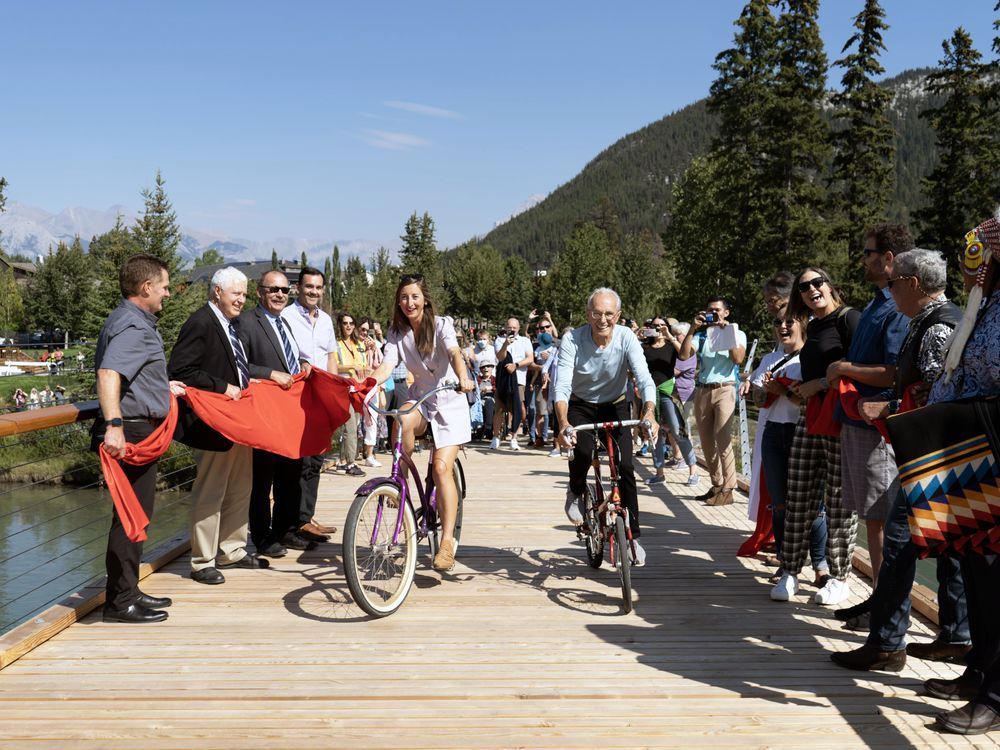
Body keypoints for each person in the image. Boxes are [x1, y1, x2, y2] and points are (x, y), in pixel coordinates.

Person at [830, 248, 967, 672]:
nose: (890, 292)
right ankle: (956, 635)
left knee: (897, 544)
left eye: (893, 284)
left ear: (911, 283)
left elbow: (937, 394)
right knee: (950, 546)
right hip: (951, 454)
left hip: (933, 455)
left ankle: (889, 643)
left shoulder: (934, 328)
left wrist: (886, 409)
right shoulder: (944, 319)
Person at [904, 214, 1000, 735]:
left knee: (996, 577)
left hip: (994, 449)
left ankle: (996, 696)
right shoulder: (983, 305)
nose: (977, 259)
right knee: (980, 575)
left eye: (985, 249)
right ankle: (981, 672)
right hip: (971, 454)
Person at [94, 254, 184, 623]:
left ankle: (127, 590)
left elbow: (133, 373)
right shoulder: (133, 325)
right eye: (163, 286)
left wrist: (163, 386)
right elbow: (110, 373)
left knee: (138, 515)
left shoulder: (133, 320)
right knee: (130, 518)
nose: (167, 293)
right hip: (131, 431)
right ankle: (119, 603)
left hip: (135, 426)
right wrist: (113, 424)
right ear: (146, 287)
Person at [168, 266, 269, 585]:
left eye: (244, 293)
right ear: (217, 292)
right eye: (237, 293)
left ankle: (232, 550)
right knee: (211, 491)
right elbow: (181, 369)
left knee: (241, 487)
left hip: (239, 421)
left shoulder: (232, 323)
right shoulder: (200, 322)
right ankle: (201, 560)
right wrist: (224, 388)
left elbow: (238, 365)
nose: (243, 299)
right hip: (213, 422)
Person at [367, 274, 475, 572]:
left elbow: (454, 352)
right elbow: (387, 366)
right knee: (402, 417)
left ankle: (447, 543)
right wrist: (367, 384)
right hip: (422, 399)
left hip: (450, 399)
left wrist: (464, 376)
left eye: (414, 296)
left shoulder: (441, 325)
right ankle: (398, 484)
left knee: (441, 468)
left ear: (424, 299)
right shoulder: (396, 331)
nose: (409, 302)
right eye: (403, 297)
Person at [828, 224, 912, 599]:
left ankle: (884, 607)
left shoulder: (896, 307)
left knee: (879, 518)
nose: (862, 259)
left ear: (889, 258)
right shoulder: (880, 301)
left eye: (868, 253)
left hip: (876, 426)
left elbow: (893, 372)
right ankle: (880, 603)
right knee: (871, 518)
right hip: (856, 421)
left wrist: (846, 369)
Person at [771, 268, 861, 605]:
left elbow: (858, 366)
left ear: (830, 284)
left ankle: (839, 577)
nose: (811, 290)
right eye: (804, 287)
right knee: (799, 494)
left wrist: (821, 384)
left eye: (817, 282)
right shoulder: (813, 324)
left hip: (840, 414)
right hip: (811, 413)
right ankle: (790, 570)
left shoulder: (849, 319)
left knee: (838, 500)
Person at [555, 288, 656, 566]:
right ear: (588, 314)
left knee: (625, 468)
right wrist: (563, 423)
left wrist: (649, 412)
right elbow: (561, 385)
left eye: (609, 314)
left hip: (616, 402)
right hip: (581, 403)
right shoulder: (572, 339)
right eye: (597, 313)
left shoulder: (626, 338)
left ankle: (633, 538)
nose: (603, 319)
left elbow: (645, 379)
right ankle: (575, 491)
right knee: (584, 452)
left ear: (618, 316)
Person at [238, 270, 313, 558]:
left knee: (290, 475)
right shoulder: (247, 322)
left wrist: (304, 362)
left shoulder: (284, 323)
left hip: (290, 413)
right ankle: (262, 536)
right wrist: (270, 373)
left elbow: (289, 356)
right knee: (263, 479)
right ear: (260, 292)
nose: (280, 294)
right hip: (264, 414)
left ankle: (286, 530)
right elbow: (240, 365)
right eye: (274, 290)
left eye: (284, 290)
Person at [280, 266, 339, 539]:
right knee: (298, 461)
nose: (313, 291)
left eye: (318, 287)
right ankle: (293, 523)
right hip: (297, 397)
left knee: (316, 459)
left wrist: (335, 393)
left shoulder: (326, 320)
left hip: (322, 396)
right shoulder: (287, 317)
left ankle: (306, 518)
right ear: (298, 288)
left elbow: (331, 357)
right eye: (308, 287)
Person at [678, 296, 747, 505]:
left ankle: (729, 488)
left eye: (717, 310)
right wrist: (692, 328)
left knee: (723, 438)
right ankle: (717, 484)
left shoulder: (737, 333)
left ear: (726, 312)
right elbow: (683, 355)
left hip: (725, 388)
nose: (714, 313)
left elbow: (738, 359)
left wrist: (727, 334)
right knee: (707, 441)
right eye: (710, 310)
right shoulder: (701, 337)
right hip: (703, 390)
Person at [643, 316, 698, 487]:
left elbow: (685, 354)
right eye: (655, 326)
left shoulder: (670, 347)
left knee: (677, 430)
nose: (658, 328)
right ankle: (659, 473)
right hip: (651, 393)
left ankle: (693, 470)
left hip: (668, 392)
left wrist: (670, 336)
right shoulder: (644, 348)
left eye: (662, 325)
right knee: (654, 434)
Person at [332, 311, 368, 476]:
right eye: (345, 323)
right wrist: (351, 367)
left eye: (351, 323)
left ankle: (342, 460)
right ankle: (351, 463)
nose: (348, 326)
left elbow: (362, 364)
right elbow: (333, 366)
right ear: (340, 325)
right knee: (350, 427)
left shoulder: (356, 344)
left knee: (352, 426)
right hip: (343, 389)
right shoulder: (336, 344)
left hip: (357, 390)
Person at [490, 317, 533, 451]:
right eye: (510, 327)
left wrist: (516, 365)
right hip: (502, 380)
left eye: (515, 327)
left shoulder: (525, 341)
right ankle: (495, 437)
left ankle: (514, 438)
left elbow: (530, 359)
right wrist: (505, 345)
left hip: (519, 380)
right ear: (506, 327)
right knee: (499, 409)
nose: (512, 330)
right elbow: (500, 357)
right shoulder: (499, 340)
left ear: (519, 328)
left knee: (517, 409)